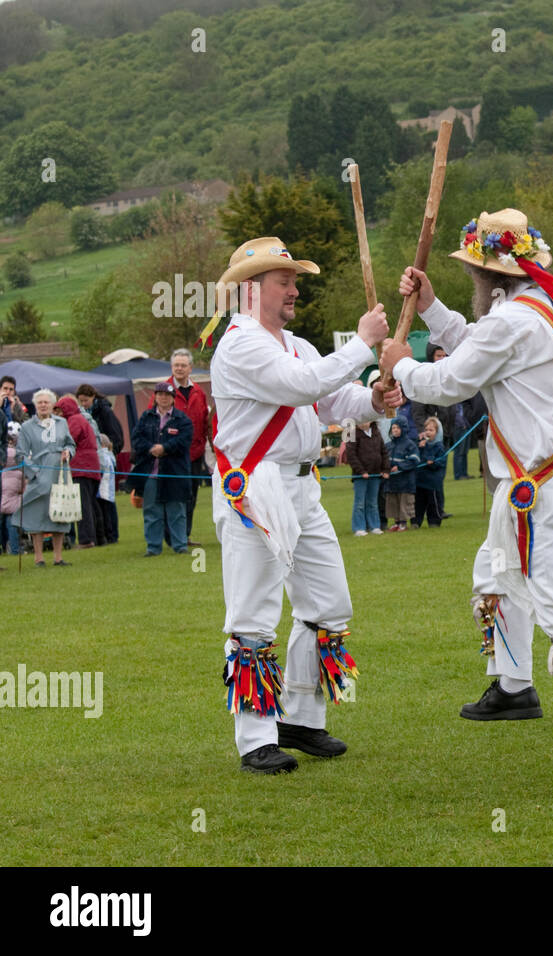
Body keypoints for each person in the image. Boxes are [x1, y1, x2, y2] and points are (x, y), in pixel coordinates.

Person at [380, 208, 553, 790]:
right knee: (495, 573)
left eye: (475, 272)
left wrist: (403, 365)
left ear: (493, 277)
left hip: (544, 485)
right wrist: (429, 308)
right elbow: (477, 344)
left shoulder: (512, 321)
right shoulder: (540, 308)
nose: (471, 282)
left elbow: (454, 381)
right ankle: (513, 685)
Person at [205, 235, 399, 774]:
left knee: (329, 605)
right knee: (254, 613)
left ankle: (302, 718)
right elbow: (300, 386)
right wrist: (363, 345)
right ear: (250, 290)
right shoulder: (241, 343)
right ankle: (255, 738)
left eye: (293, 280)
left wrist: (377, 398)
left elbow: (334, 400)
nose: (293, 289)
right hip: (255, 485)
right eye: (282, 280)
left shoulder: (297, 343)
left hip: (301, 485)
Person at [129, 381, 192, 556]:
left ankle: (180, 546)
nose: (163, 398)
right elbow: (137, 438)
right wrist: (151, 448)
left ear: (173, 399)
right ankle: (153, 548)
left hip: (175, 473)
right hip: (151, 473)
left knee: (176, 511)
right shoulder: (146, 417)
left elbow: (184, 441)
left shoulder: (182, 419)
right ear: (155, 397)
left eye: (167, 395)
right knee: (151, 511)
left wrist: (165, 448)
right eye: (160, 394)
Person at [15, 389, 75, 567]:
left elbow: (70, 444)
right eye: (40, 402)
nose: (43, 405)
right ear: (35, 405)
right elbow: (21, 454)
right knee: (36, 515)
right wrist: (35, 473)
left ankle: (58, 557)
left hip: (59, 475)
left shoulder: (62, 423)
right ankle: (39, 558)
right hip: (38, 478)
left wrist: (68, 452)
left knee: (60, 515)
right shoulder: (26, 427)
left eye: (46, 402)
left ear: (52, 405)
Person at [165, 349, 211, 544]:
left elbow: (205, 420)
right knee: (172, 496)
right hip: (171, 453)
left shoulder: (198, 392)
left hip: (194, 453)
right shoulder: (163, 390)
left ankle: (185, 534)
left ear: (190, 368)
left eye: (183, 365)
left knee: (191, 495)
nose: (180, 368)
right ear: (172, 367)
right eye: (176, 365)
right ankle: (171, 535)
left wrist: (206, 443)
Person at [54, 395, 100, 550]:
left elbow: (68, 440)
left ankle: (86, 540)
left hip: (82, 467)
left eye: (59, 411)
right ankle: (98, 537)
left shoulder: (74, 420)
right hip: (90, 466)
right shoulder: (80, 418)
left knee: (83, 505)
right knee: (91, 504)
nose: (58, 415)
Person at [345, 416, 387, 536]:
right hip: (360, 476)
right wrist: (361, 471)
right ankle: (359, 528)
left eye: (366, 420)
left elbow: (383, 451)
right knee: (359, 502)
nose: (364, 423)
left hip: (375, 474)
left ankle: (374, 526)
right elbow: (351, 455)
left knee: (373, 502)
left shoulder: (376, 432)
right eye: (361, 421)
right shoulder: (352, 434)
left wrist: (385, 469)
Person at [384, 416, 418, 532]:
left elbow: (414, 460)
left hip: (406, 481)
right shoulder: (389, 445)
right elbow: (384, 460)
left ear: (403, 428)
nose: (395, 430)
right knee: (393, 502)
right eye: (393, 428)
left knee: (404, 503)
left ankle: (403, 523)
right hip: (392, 482)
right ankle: (396, 522)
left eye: (397, 428)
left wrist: (399, 467)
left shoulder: (410, 445)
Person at [412, 415, 446, 528]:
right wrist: (421, 448)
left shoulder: (439, 447)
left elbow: (440, 463)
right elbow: (419, 460)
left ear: (437, 432)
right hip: (421, 480)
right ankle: (416, 522)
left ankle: (434, 521)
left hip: (433, 481)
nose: (428, 432)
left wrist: (432, 462)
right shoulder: (422, 444)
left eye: (431, 430)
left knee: (433, 503)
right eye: (426, 430)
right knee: (419, 503)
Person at [3, 422, 26, 556]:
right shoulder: (19, 472)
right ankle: (16, 548)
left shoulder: (3, 471)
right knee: (13, 522)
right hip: (13, 502)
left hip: (4, 499)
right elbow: (23, 488)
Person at [94, 433, 119, 544]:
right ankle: (113, 535)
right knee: (110, 513)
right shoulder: (111, 455)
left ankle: (109, 535)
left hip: (103, 490)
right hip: (109, 490)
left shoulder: (103, 456)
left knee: (105, 514)